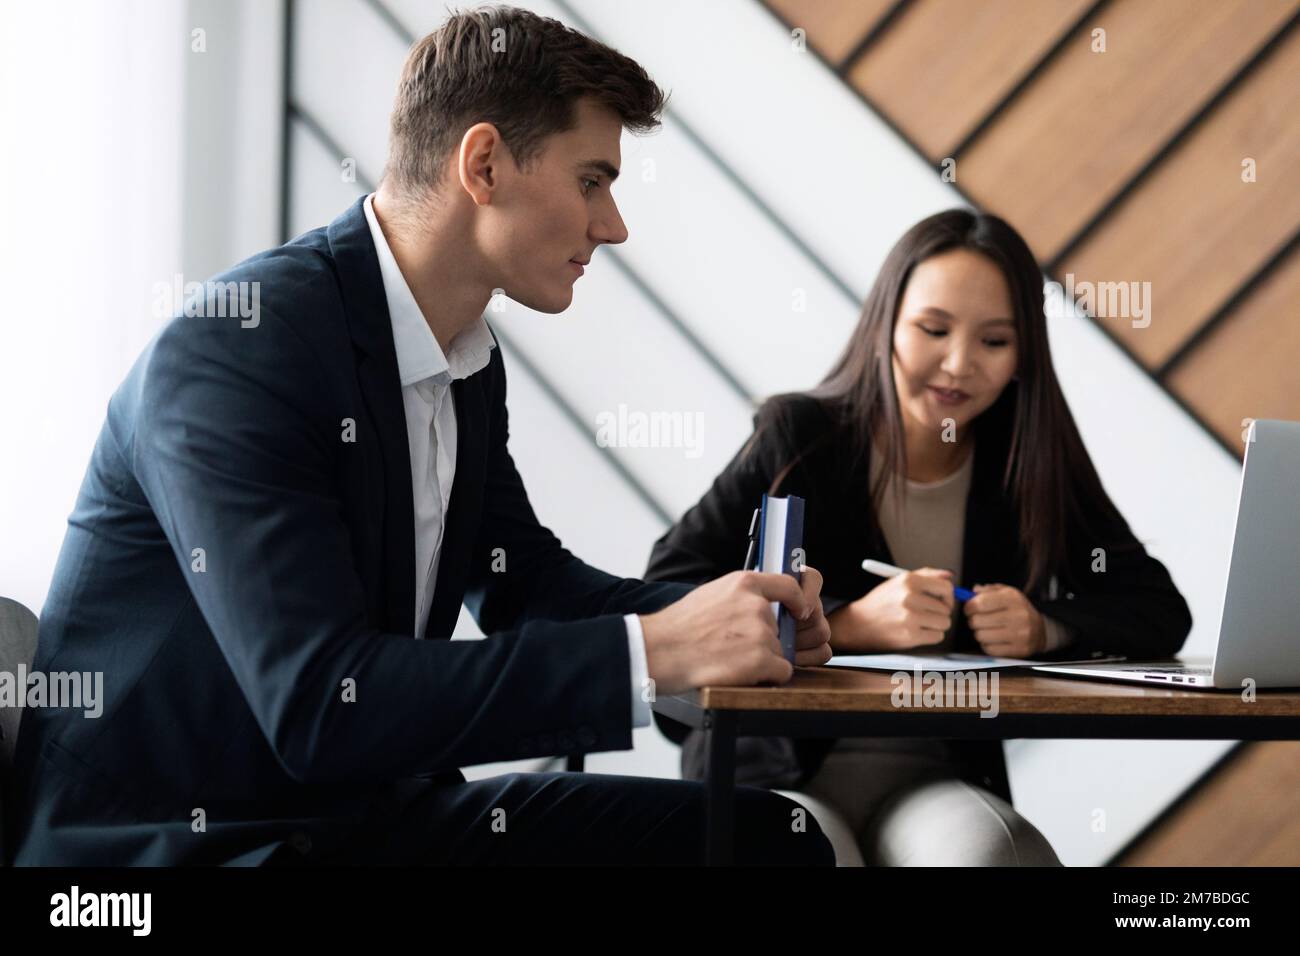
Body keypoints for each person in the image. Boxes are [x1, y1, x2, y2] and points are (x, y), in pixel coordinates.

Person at [5, 6, 835, 867]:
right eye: (592, 180)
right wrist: (655, 650)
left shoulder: (466, 359)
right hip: (169, 847)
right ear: (483, 164)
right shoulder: (237, 350)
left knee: (775, 840)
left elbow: (524, 583)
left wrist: (728, 618)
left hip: (360, 816)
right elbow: (322, 703)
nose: (612, 224)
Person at [645, 209, 1193, 866]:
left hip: (931, 780)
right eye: (934, 329)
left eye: (994, 342)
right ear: (887, 323)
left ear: (1025, 355)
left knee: (994, 856)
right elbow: (666, 589)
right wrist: (842, 627)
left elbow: (1159, 609)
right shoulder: (799, 437)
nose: (958, 365)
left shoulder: (1024, 464)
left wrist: (1047, 628)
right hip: (772, 769)